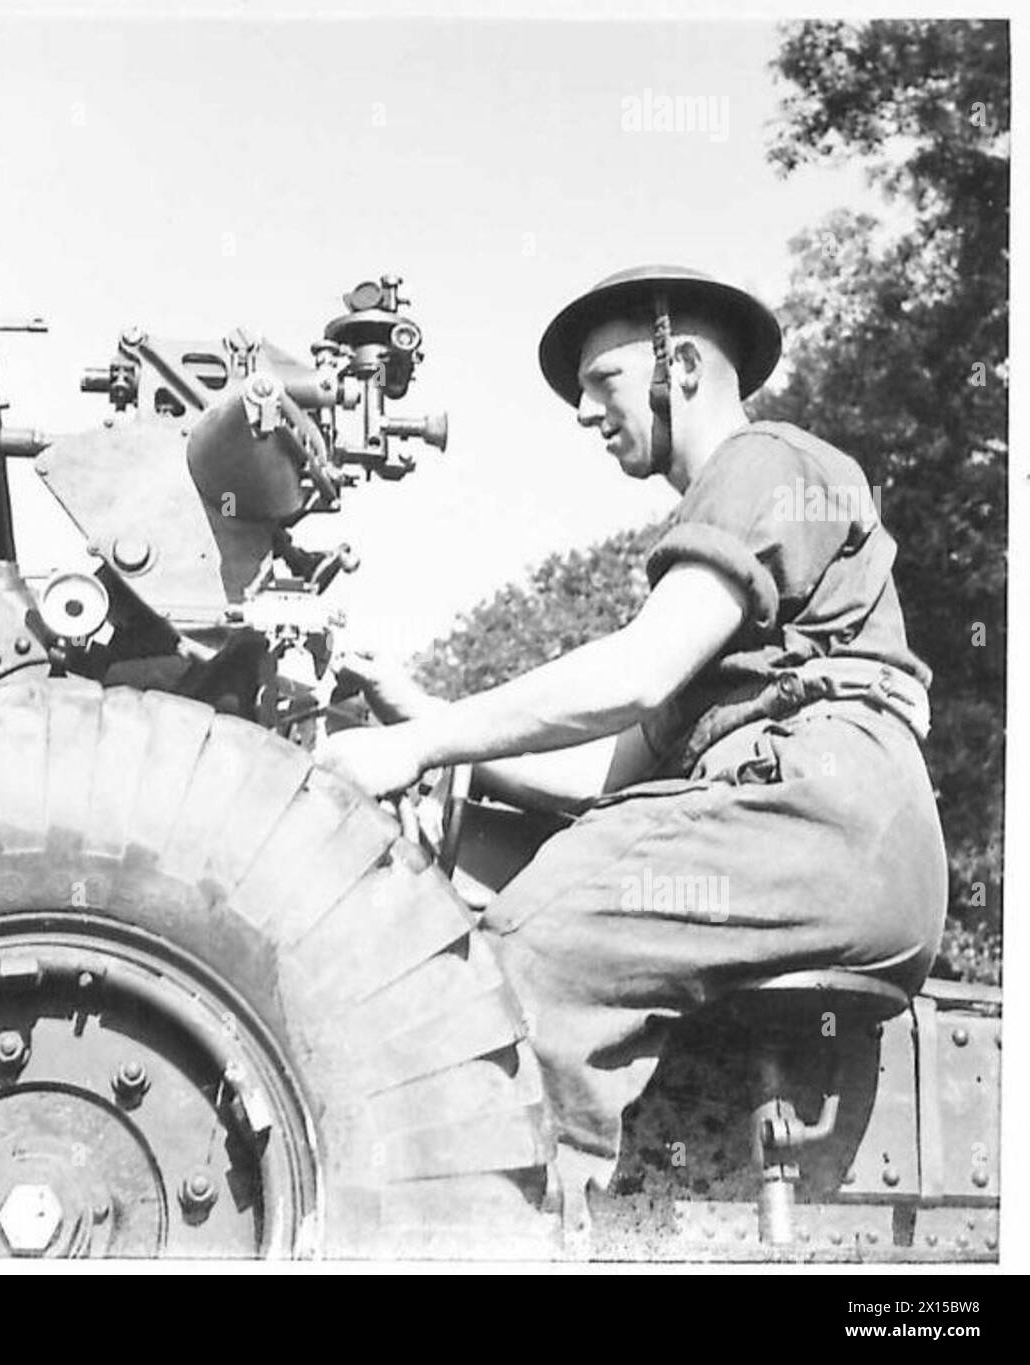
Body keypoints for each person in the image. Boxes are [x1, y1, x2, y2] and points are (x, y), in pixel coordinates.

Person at [317, 265, 948, 1196]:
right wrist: (433, 718)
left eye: (601, 383)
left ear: (681, 364)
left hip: (825, 815)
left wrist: (414, 749)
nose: (582, 413)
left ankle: (496, 1233)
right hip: (820, 830)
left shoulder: (764, 462)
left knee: (531, 942)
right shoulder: (722, 561)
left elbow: (635, 672)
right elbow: (606, 773)